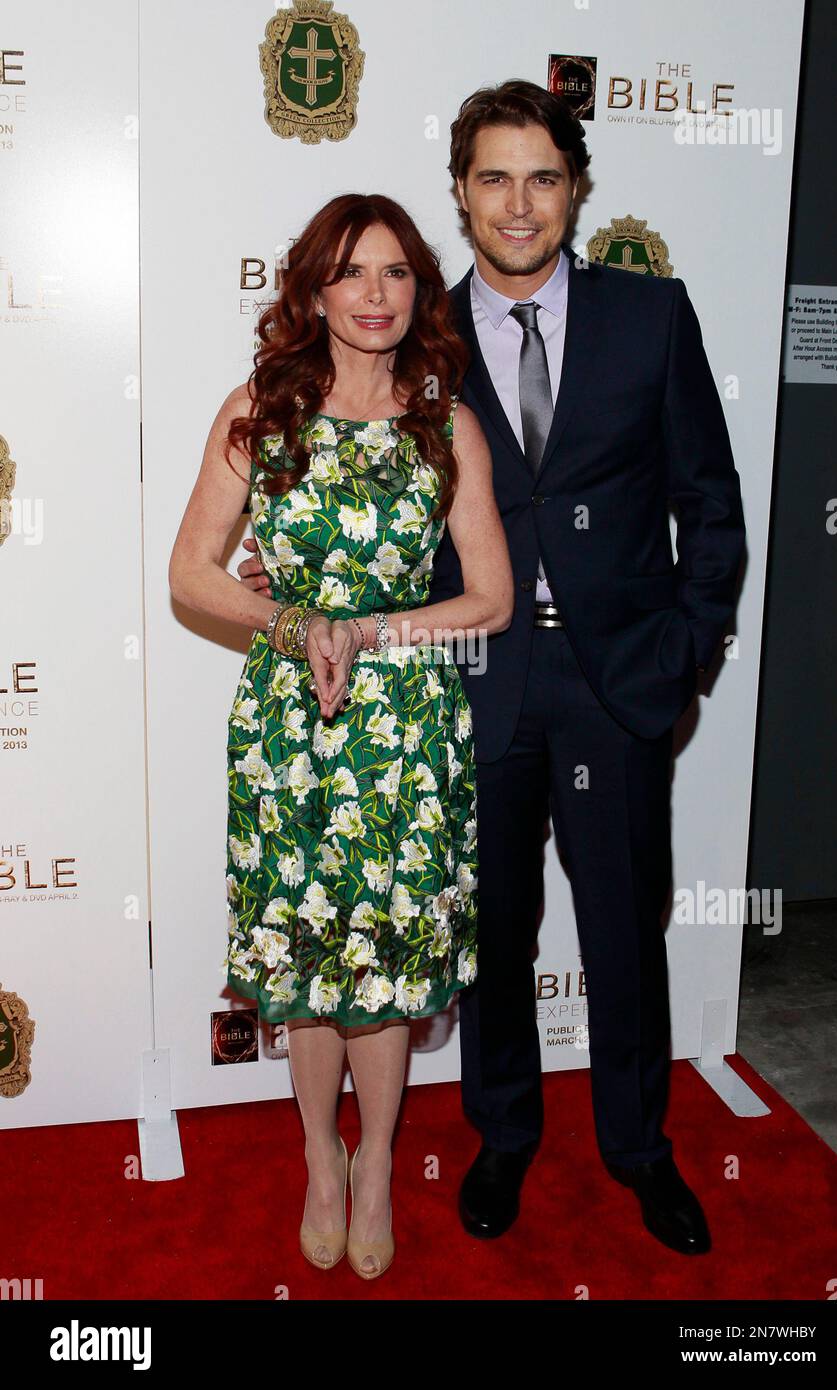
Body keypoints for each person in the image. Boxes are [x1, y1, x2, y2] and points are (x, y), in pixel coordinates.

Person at [238, 80, 746, 1259]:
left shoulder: (650, 315)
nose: (518, 204)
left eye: (542, 178)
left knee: (624, 930)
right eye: (493, 178)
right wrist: (300, 573)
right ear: (461, 193)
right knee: (494, 928)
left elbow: (708, 500)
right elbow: (351, 481)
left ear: (575, 190)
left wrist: (683, 654)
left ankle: (638, 1148)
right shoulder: (416, 335)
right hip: (471, 680)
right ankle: (503, 1133)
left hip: (620, 682)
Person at [168, 191, 513, 1280]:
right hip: (290, 729)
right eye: (351, 272)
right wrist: (294, 623)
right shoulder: (260, 413)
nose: (374, 294)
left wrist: (371, 629)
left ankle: (378, 1165)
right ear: (313, 292)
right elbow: (190, 573)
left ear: (420, 291)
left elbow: (492, 597)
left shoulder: (445, 424)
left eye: (396, 272)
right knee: (308, 953)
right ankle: (321, 1155)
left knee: (386, 966)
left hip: (406, 732)